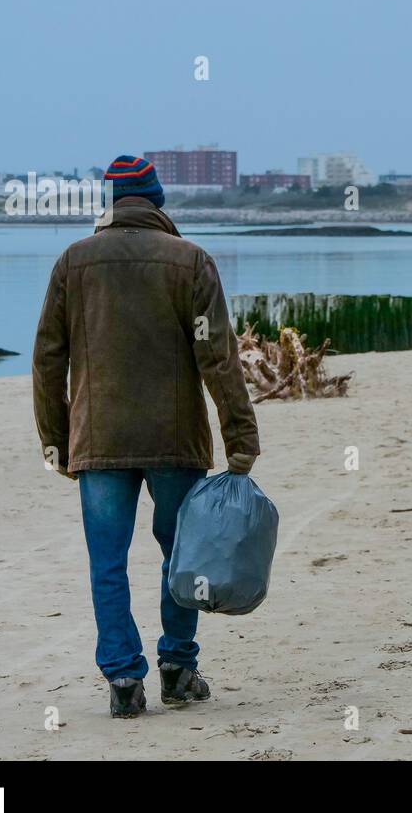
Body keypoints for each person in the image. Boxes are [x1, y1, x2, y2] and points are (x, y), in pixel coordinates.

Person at [33, 155, 260, 718]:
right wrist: (240, 435)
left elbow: (47, 360)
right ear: (158, 201)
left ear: (110, 204)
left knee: (106, 561)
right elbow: (218, 357)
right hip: (174, 438)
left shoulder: (73, 263)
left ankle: (124, 681)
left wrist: (55, 440)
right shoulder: (191, 262)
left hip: (97, 440)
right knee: (183, 555)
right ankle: (179, 668)